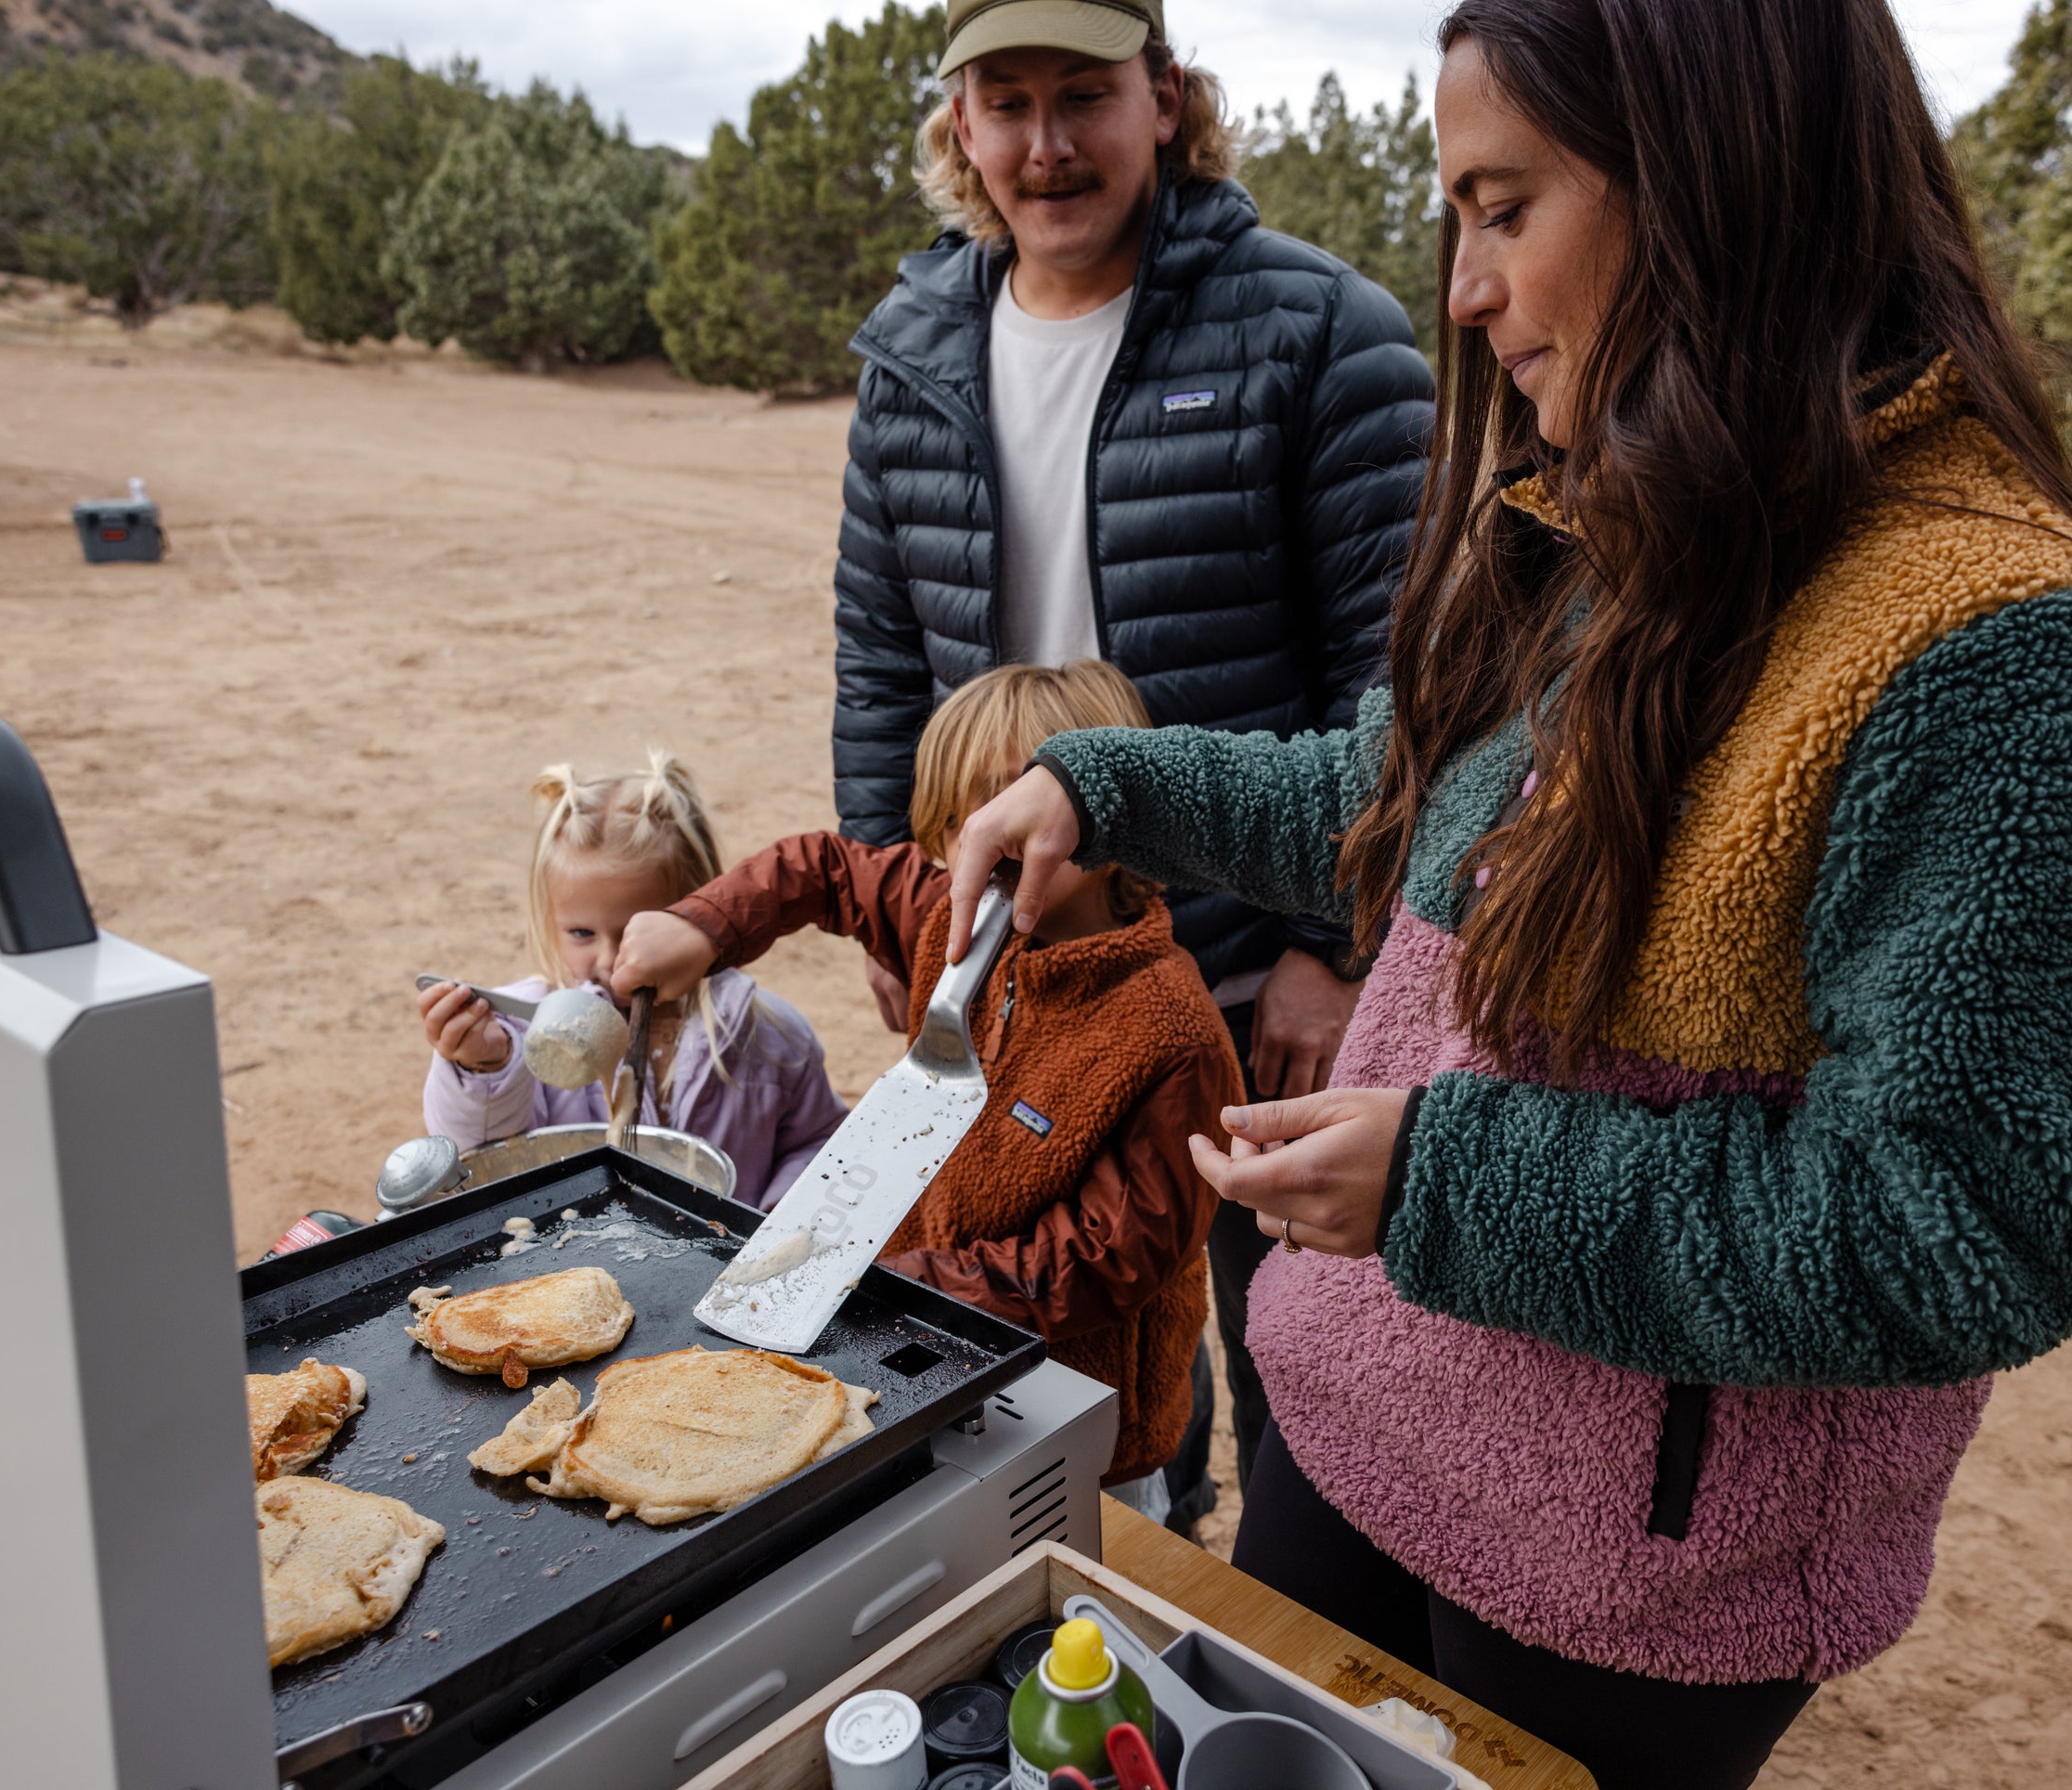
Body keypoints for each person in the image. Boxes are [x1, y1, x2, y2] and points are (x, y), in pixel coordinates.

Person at [940, 0, 2072, 1781]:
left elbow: (1981, 1219)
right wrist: (1111, 780)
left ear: (1707, 188)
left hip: (1629, 1580)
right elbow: (1395, 811)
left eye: (1503, 206)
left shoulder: (2003, 653)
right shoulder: (1601, 520)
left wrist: (1447, 1176)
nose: (1462, 289)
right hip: (1360, 1419)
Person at [832, 0, 1435, 1521]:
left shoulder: (1319, 327)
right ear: (958, 123)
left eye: (1085, 95)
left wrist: (1329, 944)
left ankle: (1298, 1648)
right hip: (1022, 966)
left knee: (1311, 1346)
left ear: (1164, 97)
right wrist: (905, 908)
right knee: (1072, 1327)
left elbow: (1411, 680)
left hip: (1246, 960)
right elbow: (879, 661)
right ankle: (1122, 1594)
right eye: (1008, 100)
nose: (1047, 145)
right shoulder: (909, 355)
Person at [612, 663, 1239, 1519]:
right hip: (929, 1361)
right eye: (960, 822)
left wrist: (907, 1287)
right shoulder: (951, 910)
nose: (981, 851)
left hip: (1086, 1428)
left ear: (1113, 812)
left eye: (1017, 814)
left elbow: (1109, 1255)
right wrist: (706, 922)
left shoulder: (1169, 1029)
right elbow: (825, 867)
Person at [417, 751, 847, 1211]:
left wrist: (779, 1218)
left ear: (700, 914)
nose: (609, 959)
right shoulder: (519, 1036)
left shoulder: (768, 1036)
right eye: (581, 933)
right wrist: (484, 1069)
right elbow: (482, 1163)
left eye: (634, 932)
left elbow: (818, 1142)